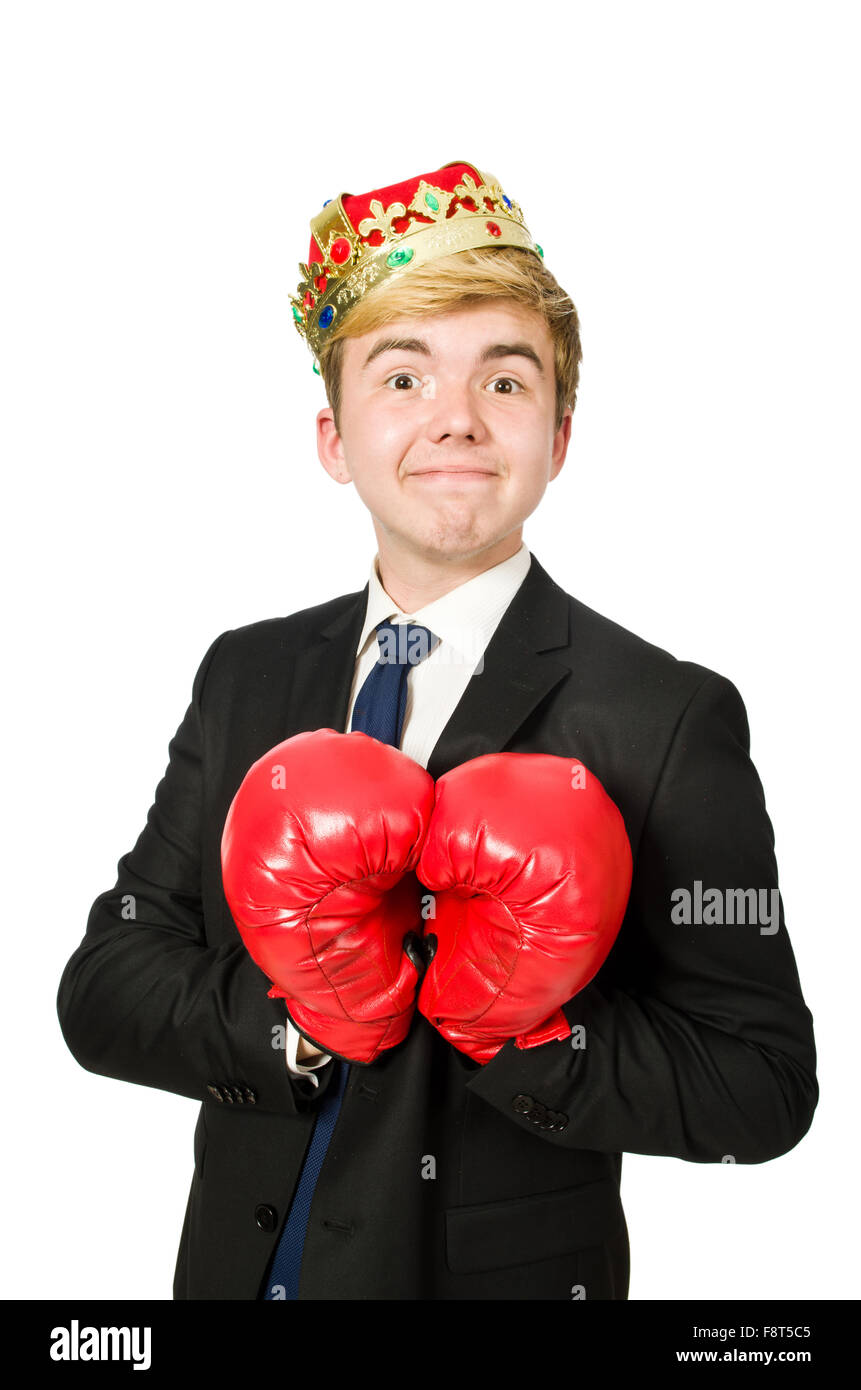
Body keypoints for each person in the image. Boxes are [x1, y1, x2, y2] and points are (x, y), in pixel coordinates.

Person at [56, 158, 818, 1301]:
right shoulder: (245, 674)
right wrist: (301, 1016)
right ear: (334, 434)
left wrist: (529, 1029)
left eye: (506, 384)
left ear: (560, 434)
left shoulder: (666, 717)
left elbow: (762, 1084)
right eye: (402, 376)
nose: (455, 418)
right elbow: (107, 982)